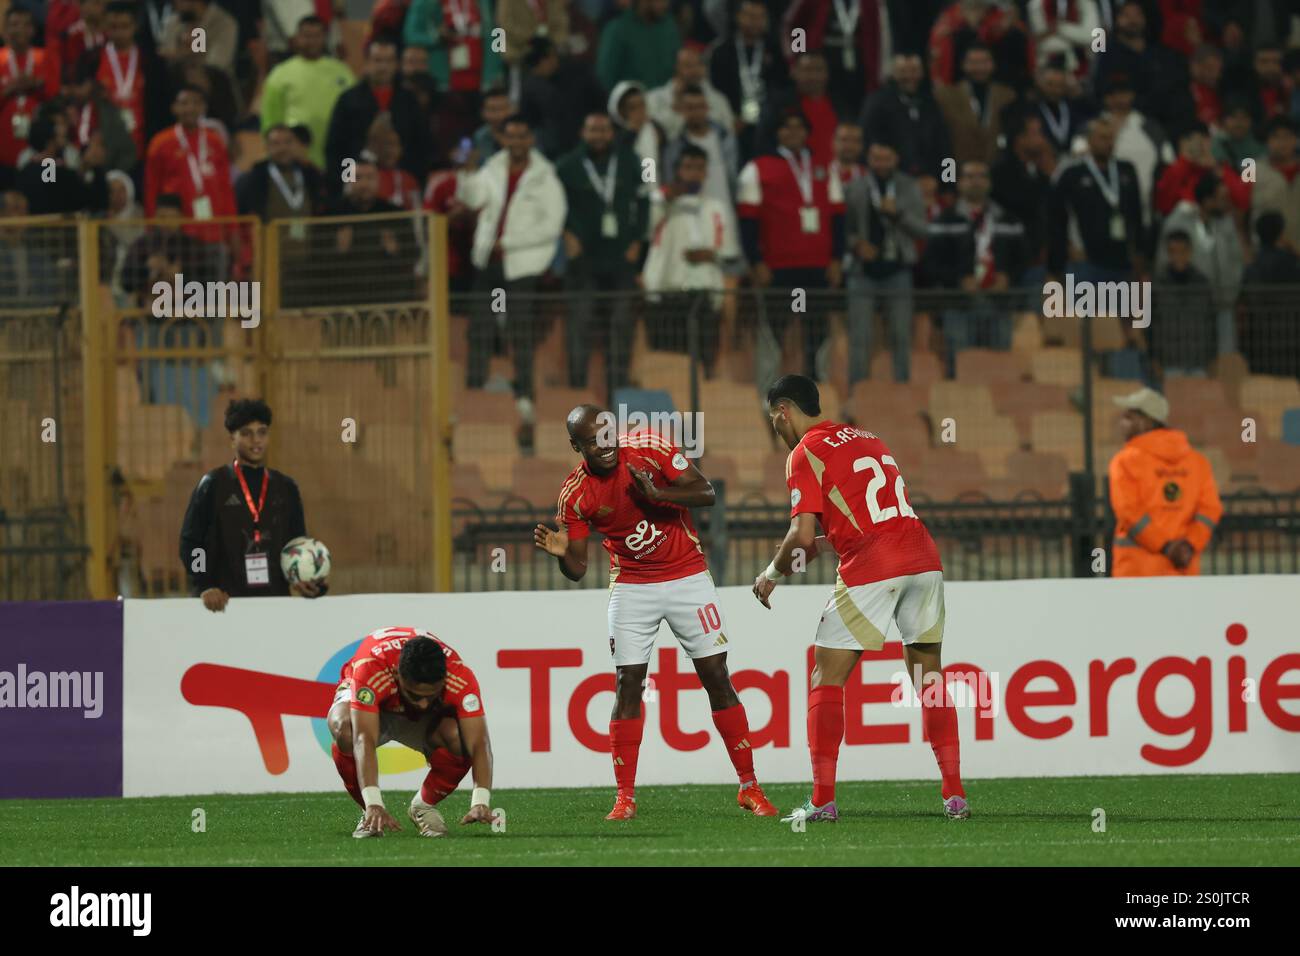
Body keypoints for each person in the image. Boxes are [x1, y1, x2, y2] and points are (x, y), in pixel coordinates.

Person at [532, 405, 779, 821]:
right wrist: (562, 555)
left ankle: (749, 786)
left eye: (607, 434)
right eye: (593, 441)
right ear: (577, 447)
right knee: (628, 684)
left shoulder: (649, 447)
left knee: (717, 677)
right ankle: (625, 798)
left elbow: (707, 493)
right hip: (631, 585)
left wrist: (659, 495)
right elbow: (577, 569)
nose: (605, 445)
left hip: (687, 576)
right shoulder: (575, 495)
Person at [753, 374, 966, 823]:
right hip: (924, 558)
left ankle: (823, 801)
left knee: (825, 677)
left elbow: (803, 538)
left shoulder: (803, 451)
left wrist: (772, 574)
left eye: (774, 418)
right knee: (929, 680)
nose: (775, 427)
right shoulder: (870, 437)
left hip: (873, 563)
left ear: (783, 411)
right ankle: (954, 796)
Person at [327, 626, 496, 837]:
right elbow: (364, 739)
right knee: (346, 730)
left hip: (413, 712)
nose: (424, 705)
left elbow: (480, 743)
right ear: (398, 675)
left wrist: (480, 801)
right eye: (416, 695)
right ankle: (370, 813)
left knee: (459, 739)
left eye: (431, 695)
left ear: (444, 680)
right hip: (377, 705)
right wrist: (373, 802)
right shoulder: (371, 669)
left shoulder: (459, 674)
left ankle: (423, 806)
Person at [456, 113, 565, 422]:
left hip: (522, 268)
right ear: (502, 139)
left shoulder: (546, 177)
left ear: (531, 139)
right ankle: (474, 389)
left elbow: (552, 226)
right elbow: (470, 198)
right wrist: (465, 171)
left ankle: (525, 396)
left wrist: (511, 242)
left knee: (521, 332)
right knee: (479, 327)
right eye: (511, 136)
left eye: (522, 135)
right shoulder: (491, 168)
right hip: (489, 263)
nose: (516, 142)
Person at [178, 398, 326, 612]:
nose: (256, 440)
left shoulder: (286, 488)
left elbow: (297, 545)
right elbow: (192, 543)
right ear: (232, 439)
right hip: (224, 606)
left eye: (262, 432)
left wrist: (309, 580)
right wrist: (205, 585)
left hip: (275, 605)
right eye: (246, 433)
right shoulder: (213, 485)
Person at [738, 108, 845, 381]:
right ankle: (769, 395)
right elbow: (748, 222)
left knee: (818, 332)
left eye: (799, 126)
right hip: (778, 268)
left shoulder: (825, 166)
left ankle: (818, 390)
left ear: (807, 132)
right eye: (786, 126)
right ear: (776, 132)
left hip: (817, 267)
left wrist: (836, 258)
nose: (793, 132)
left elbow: (838, 217)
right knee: (774, 332)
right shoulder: (757, 169)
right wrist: (755, 262)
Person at [555, 111, 644, 391]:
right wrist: (567, 232)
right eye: (593, 129)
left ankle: (619, 390)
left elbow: (646, 201)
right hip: (583, 259)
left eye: (604, 129)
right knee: (580, 323)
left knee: (621, 324)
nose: (598, 135)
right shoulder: (567, 165)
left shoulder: (631, 161)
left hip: (621, 257)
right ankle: (577, 389)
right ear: (583, 133)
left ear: (612, 132)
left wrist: (638, 240)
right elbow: (555, 205)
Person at [641, 144, 738, 377]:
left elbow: (730, 249)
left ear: (705, 173)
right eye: (687, 167)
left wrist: (710, 254)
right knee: (667, 362)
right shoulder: (659, 202)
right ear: (677, 171)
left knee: (703, 361)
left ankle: (703, 411)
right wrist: (665, 197)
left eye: (699, 168)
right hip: (666, 291)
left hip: (704, 292)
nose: (693, 173)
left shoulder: (717, 207)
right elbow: (643, 231)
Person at [923, 160, 1025, 376]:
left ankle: (997, 407)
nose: (975, 181)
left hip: (999, 304)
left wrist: (1009, 277)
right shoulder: (945, 219)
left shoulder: (1008, 219)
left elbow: (1023, 259)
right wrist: (958, 279)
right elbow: (931, 264)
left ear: (989, 182)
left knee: (999, 367)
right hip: (959, 304)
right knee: (961, 365)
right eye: (969, 176)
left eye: (981, 176)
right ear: (959, 183)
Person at [1108, 387, 1222, 577]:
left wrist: (1166, 547)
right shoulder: (1197, 462)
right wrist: (1188, 546)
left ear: (1146, 422)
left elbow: (1129, 512)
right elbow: (1210, 510)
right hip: (1183, 568)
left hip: (1137, 572)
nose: (1121, 423)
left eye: (1128, 417)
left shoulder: (1125, 461)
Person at [844, 139, 926, 384]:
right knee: (860, 337)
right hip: (862, 272)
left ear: (896, 159)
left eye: (886, 159)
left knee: (901, 335)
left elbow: (922, 229)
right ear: (868, 159)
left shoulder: (909, 187)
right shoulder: (855, 187)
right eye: (875, 159)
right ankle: (856, 392)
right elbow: (842, 231)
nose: (880, 164)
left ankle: (902, 388)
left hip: (898, 271)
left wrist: (897, 213)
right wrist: (856, 244)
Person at [325, 36, 432, 195]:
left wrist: (412, 180)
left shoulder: (409, 100)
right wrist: (348, 181)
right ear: (367, 63)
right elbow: (337, 148)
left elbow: (421, 146)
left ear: (397, 64)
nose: (383, 67)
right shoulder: (348, 100)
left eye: (388, 61)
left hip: (401, 186)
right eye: (377, 60)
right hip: (359, 187)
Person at [1156, 172, 1244, 357]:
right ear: (1207, 200)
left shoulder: (1226, 224)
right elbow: (1165, 262)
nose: (1227, 203)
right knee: (1196, 359)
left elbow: (1237, 259)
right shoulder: (1179, 221)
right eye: (1222, 198)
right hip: (1191, 307)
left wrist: (1233, 290)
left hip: (1224, 304)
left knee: (1225, 359)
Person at [1048, 116, 1144, 284]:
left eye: (1111, 138)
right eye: (1102, 138)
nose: (1108, 143)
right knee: (1085, 311)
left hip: (1122, 261)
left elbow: (1137, 215)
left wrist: (1139, 254)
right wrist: (1064, 252)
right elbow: (1057, 219)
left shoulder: (1127, 170)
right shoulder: (1073, 174)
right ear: (1090, 141)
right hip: (1085, 261)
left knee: (1121, 311)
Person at [259, 15, 354, 171]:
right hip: (297, 162)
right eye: (306, 36)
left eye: (316, 36)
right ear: (297, 38)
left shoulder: (343, 72)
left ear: (324, 38)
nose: (311, 41)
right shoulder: (280, 74)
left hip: (340, 158)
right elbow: (270, 124)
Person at [707, 0, 789, 163]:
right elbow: (715, 90)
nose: (755, 22)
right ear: (738, 17)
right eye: (750, 16)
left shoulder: (775, 50)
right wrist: (730, 118)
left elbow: (782, 86)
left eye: (760, 17)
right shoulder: (721, 51)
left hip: (767, 123)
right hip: (733, 122)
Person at [933, 43, 1016, 165]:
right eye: (973, 62)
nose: (979, 67)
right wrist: (948, 179)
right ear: (963, 65)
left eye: (984, 62)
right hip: (958, 171)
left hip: (996, 170)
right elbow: (941, 142)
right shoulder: (945, 96)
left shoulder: (1008, 96)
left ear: (993, 64)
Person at [1149, 230, 1216, 379]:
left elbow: (1211, 323)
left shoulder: (1202, 283)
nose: (1178, 256)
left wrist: (1212, 359)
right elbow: (1151, 325)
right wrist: (1154, 360)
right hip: (1169, 361)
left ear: (1190, 252)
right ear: (1168, 253)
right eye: (1173, 251)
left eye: (1182, 251)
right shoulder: (1158, 284)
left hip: (1198, 361)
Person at [596, 0, 680, 93]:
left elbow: (678, 66)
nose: (666, 4)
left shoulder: (669, 25)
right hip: (634, 103)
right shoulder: (617, 30)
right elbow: (605, 78)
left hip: (669, 101)